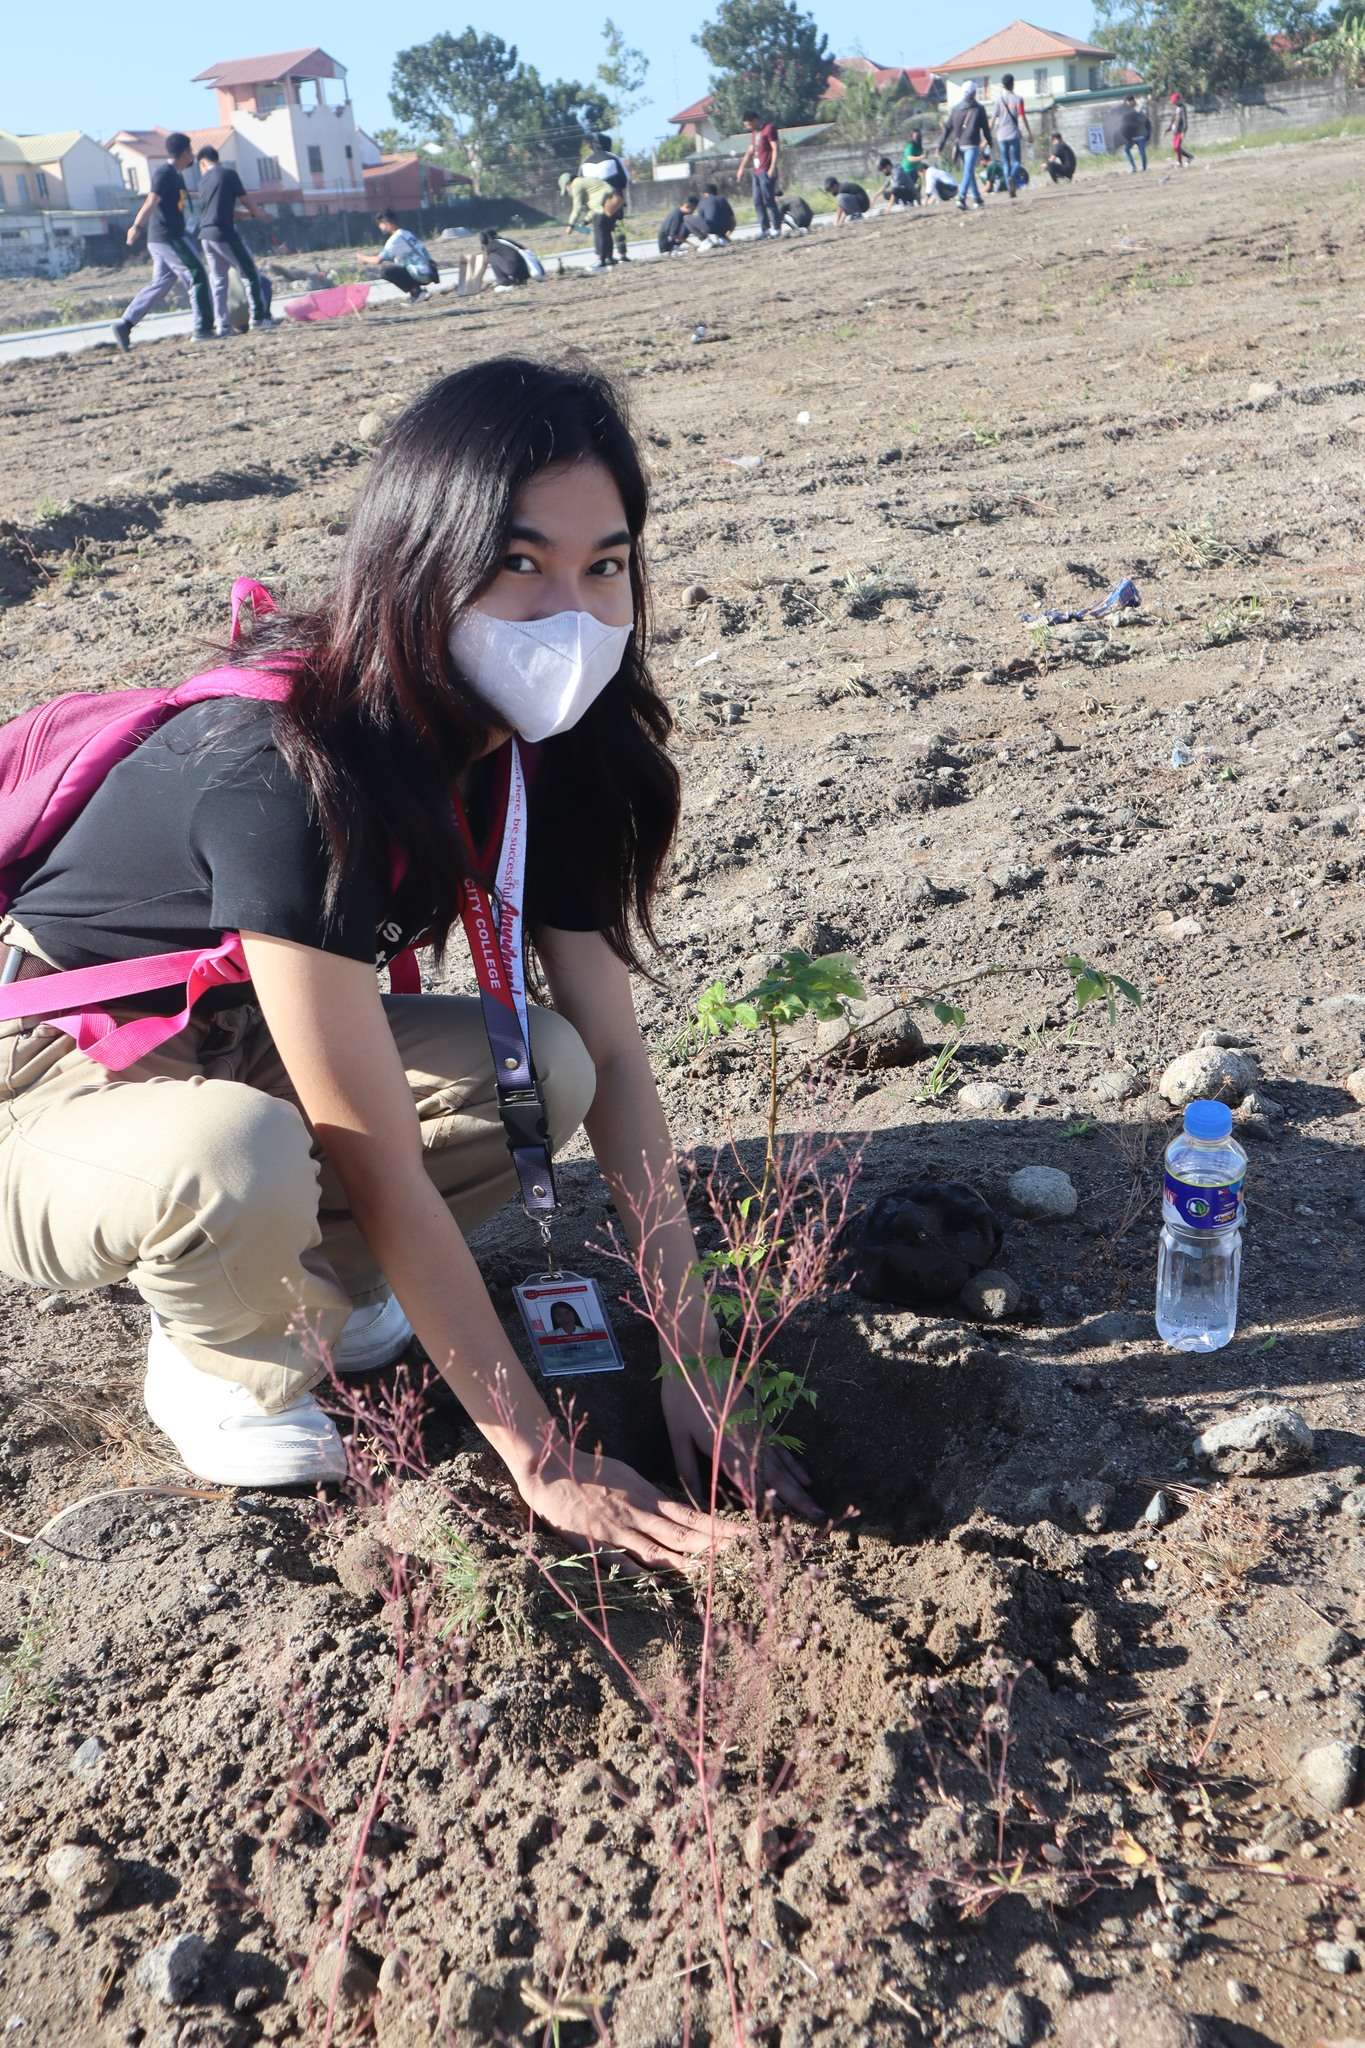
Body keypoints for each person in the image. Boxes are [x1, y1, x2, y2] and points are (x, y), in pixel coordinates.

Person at [0, 356, 822, 1552]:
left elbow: (618, 1058)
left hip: (256, 1044)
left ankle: (316, 1276)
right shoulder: (286, 767)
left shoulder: (553, 752)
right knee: (232, 1155)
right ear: (422, 558)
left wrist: (694, 1358)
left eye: (605, 565)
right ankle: (231, 1361)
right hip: (52, 1075)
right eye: (520, 563)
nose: (572, 614)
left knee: (551, 1066)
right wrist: (540, 1457)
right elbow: (375, 1151)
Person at [112, 133, 214, 351]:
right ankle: (203, 328)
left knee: (161, 284)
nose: (193, 156)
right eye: (190, 152)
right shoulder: (164, 173)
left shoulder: (176, 175)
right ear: (185, 152)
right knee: (197, 274)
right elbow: (151, 200)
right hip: (168, 237)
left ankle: (125, 324)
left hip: (165, 238)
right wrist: (136, 226)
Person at [194, 145, 276, 336]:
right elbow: (246, 200)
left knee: (219, 282)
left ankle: (222, 325)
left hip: (206, 236)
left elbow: (225, 211)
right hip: (225, 235)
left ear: (203, 163)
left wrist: (250, 215)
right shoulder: (228, 174)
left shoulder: (203, 181)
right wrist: (259, 214)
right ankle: (258, 318)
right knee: (251, 275)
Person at [939, 84, 991, 211]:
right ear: (973, 93)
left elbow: (947, 128)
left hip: (960, 145)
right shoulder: (979, 109)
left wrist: (940, 144)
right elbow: (985, 128)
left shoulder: (956, 109)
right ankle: (961, 197)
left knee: (969, 171)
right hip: (972, 144)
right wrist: (990, 141)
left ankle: (977, 198)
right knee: (968, 171)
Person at [580, 135, 630, 263]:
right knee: (617, 226)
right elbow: (624, 180)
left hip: (596, 203)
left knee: (600, 229)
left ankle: (603, 256)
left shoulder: (585, 163)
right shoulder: (613, 158)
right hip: (614, 199)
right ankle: (622, 254)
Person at [368, 211, 438, 301]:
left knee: (385, 269)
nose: (379, 227)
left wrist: (363, 258)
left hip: (421, 273)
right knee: (393, 264)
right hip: (429, 271)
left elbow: (378, 260)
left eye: (380, 224)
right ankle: (418, 291)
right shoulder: (406, 233)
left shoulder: (396, 238)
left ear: (387, 223)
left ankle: (416, 292)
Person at [735, 109, 782, 238]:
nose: (748, 127)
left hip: (766, 171)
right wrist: (741, 168)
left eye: (749, 125)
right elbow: (750, 151)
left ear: (755, 120)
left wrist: (772, 168)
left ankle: (777, 228)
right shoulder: (755, 133)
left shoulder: (769, 129)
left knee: (769, 200)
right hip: (756, 171)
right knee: (757, 201)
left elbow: (775, 149)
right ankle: (764, 229)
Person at [992, 72, 1033, 197]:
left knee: (1005, 162)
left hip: (1001, 135)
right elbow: (1022, 116)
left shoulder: (999, 100)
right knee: (1016, 162)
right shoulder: (1018, 99)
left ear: (1003, 85)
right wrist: (1029, 132)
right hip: (1013, 134)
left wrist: (986, 136)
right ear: (1012, 84)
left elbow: (993, 119)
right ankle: (1011, 177)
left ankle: (1010, 187)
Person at [1119, 94, 1151, 172]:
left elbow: (1146, 121)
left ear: (1133, 101)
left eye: (1129, 102)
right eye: (1127, 102)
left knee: (1142, 152)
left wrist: (1148, 133)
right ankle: (1134, 167)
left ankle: (1144, 168)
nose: (1128, 104)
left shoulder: (1139, 109)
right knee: (1127, 150)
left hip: (1140, 134)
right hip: (1131, 136)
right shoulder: (1127, 111)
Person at [1168, 92, 1194, 167]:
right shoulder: (1177, 108)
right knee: (1175, 148)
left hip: (1180, 130)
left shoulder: (1182, 108)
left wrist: (1183, 131)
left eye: (1175, 102)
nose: (1174, 103)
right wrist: (1169, 128)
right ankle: (1189, 157)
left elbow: (1185, 120)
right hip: (1175, 131)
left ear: (1178, 100)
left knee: (1177, 147)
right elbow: (1174, 119)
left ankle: (1180, 161)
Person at [900, 129, 926, 202]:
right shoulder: (910, 146)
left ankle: (919, 203)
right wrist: (921, 157)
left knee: (918, 187)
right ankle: (908, 202)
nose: (918, 138)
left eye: (919, 136)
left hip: (915, 170)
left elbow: (919, 161)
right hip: (907, 171)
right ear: (912, 137)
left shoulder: (919, 147)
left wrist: (921, 171)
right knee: (909, 189)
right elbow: (910, 158)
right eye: (916, 136)